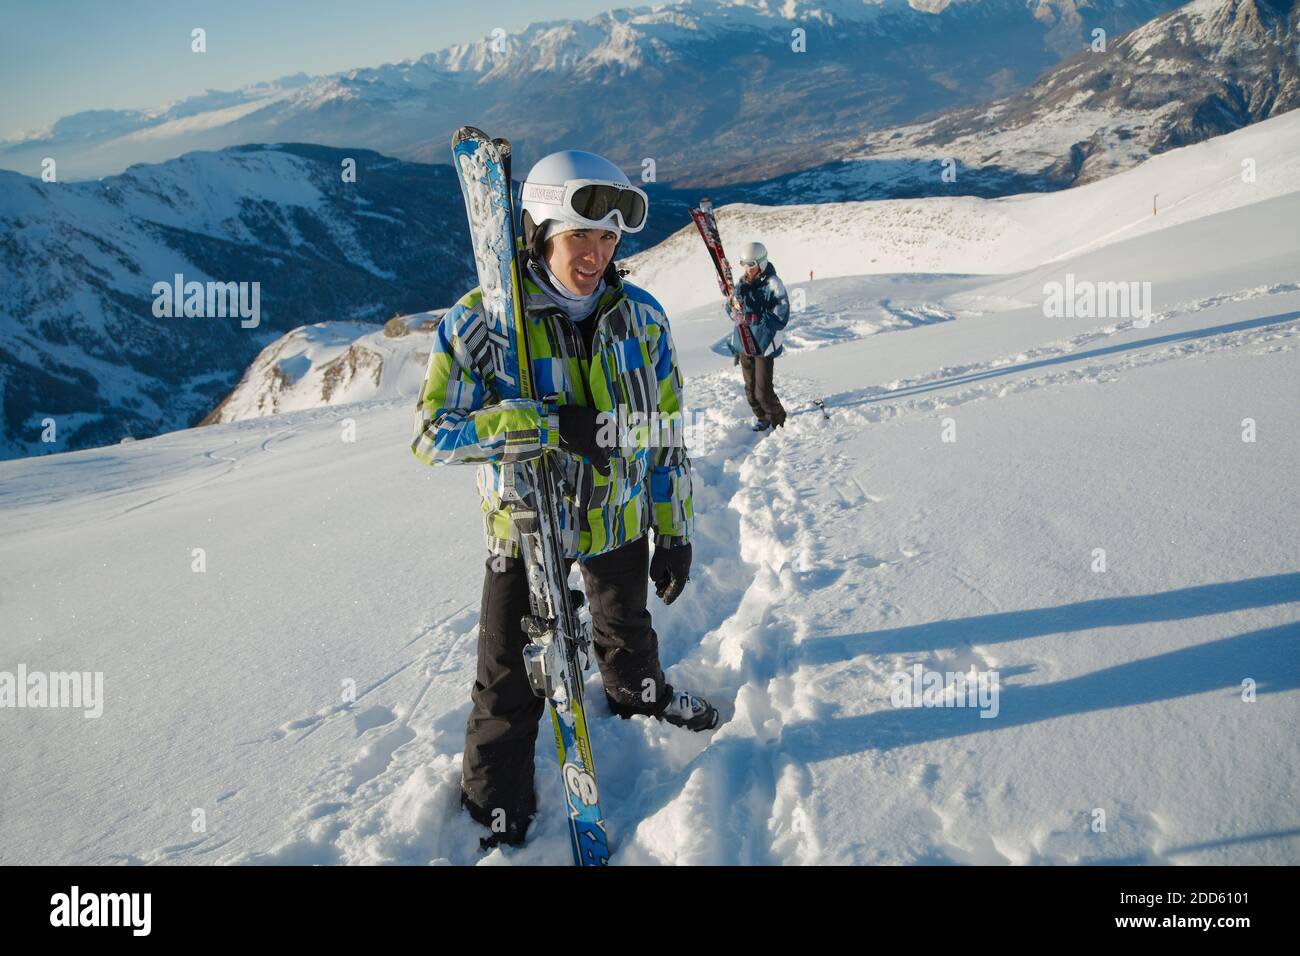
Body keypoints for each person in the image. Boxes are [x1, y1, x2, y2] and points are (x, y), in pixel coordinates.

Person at [411, 148, 719, 848]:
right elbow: (433, 435)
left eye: (609, 238)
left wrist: (672, 530)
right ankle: (496, 814)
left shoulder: (642, 319)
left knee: (626, 632)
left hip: (617, 515)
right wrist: (545, 424)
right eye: (581, 234)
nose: (596, 253)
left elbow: (666, 431)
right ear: (539, 234)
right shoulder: (482, 324)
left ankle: (638, 697)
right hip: (526, 529)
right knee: (507, 682)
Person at [723, 240, 790, 431]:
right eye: (744, 265)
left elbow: (780, 316)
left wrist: (755, 316)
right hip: (745, 342)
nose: (747, 269)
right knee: (750, 391)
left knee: (763, 392)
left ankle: (779, 420)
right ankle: (763, 417)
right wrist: (732, 307)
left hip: (763, 343)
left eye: (751, 265)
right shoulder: (742, 283)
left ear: (761, 263)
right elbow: (732, 311)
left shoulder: (773, 284)